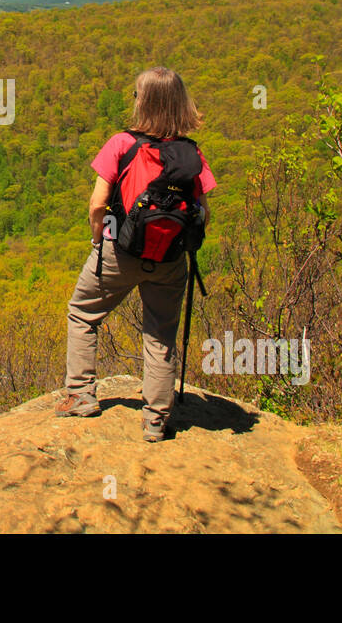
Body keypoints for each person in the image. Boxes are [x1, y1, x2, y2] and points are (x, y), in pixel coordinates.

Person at [53, 67, 216, 442]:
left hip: (119, 252)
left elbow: (97, 205)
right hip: (171, 259)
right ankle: (156, 420)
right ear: (181, 104)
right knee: (160, 334)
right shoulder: (191, 154)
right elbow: (203, 212)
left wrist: (100, 241)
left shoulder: (121, 144)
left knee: (82, 312)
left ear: (142, 102)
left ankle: (80, 396)